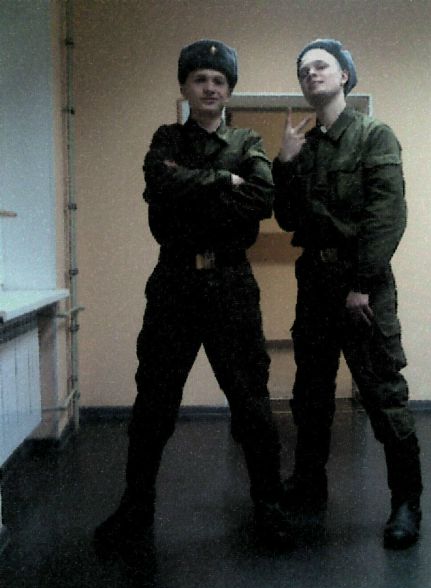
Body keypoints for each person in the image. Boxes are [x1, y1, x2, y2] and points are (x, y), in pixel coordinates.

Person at [94, 39, 292, 554]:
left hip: (231, 285)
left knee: (251, 402)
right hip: (175, 284)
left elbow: (261, 199)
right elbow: (159, 186)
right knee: (154, 402)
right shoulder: (166, 139)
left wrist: (191, 190)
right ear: (184, 87)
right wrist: (223, 180)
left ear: (229, 91)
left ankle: (269, 506)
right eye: (200, 79)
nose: (209, 88)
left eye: (219, 81)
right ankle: (135, 507)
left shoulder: (247, 140)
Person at [272, 39, 422, 549]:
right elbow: (288, 219)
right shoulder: (305, 145)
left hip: (362, 286)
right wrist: (285, 163)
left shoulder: (374, 135)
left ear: (344, 77)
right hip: (315, 284)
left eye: (321, 66)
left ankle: (406, 502)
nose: (311, 74)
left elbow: (387, 216)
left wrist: (361, 284)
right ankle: (309, 484)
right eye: (304, 70)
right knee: (311, 395)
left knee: (383, 394)